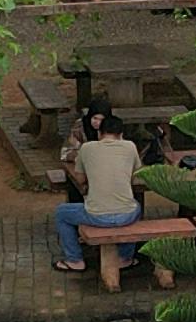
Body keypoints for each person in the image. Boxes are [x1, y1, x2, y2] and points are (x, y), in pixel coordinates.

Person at [52, 107, 145, 273]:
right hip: (127, 214)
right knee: (136, 206)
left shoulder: (87, 148)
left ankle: (75, 260)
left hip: (97, 215)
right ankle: (125, 258)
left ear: (99, 133)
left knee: (61, 212)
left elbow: (80, 179)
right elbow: (133, 175)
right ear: (121, 134)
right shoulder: (130, 146)